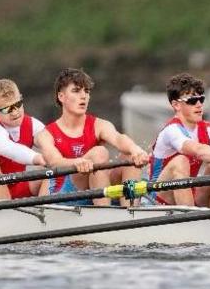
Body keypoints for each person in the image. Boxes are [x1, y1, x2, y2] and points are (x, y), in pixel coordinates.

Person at [36, 68, 149, 206]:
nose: (83, 96)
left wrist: (136, 150)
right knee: (99, 153)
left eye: (87, 91)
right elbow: (55, 161)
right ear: (61, 97)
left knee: (130, 156)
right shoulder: (46, 134)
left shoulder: (99, 125)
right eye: (76, 91)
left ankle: (130, 209)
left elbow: (119, 139)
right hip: (66, 194)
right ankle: (104, 213)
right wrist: (78, 162)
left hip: (96, 188)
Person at [149, 73, 210, 208]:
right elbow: (199, 150)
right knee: (181, 161)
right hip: (157, 200)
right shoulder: (171, 131)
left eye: (201, 99)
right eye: (192, 100)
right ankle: (191, 220)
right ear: (176, 105)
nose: (199, 104)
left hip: (189, 194)